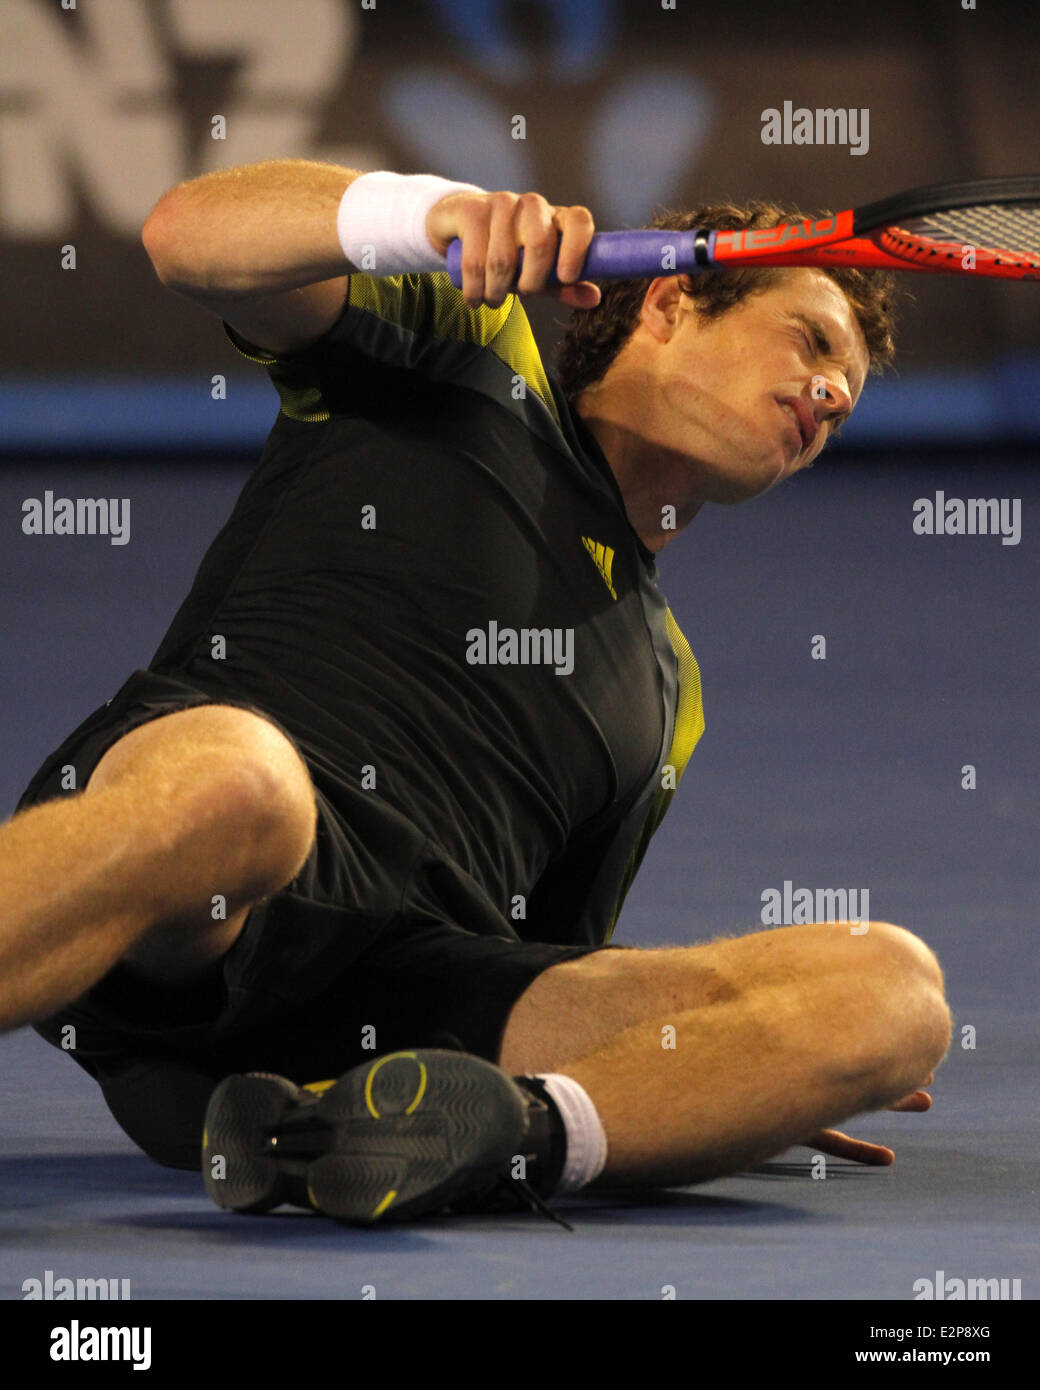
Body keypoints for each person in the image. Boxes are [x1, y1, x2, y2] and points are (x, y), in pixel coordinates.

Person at [2, 161, 950, 1224]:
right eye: (811, 342)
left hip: (384, 1016)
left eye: (847, 397)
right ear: (674, 300)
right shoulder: (464, 356)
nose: (828, 397)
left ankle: (465, 1135)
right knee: (247, 799)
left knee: (889, 995)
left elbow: (550, 961)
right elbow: (186, 234)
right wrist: (422, 214)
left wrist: (723, 1061)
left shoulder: (668, 687)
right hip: (191, 905)